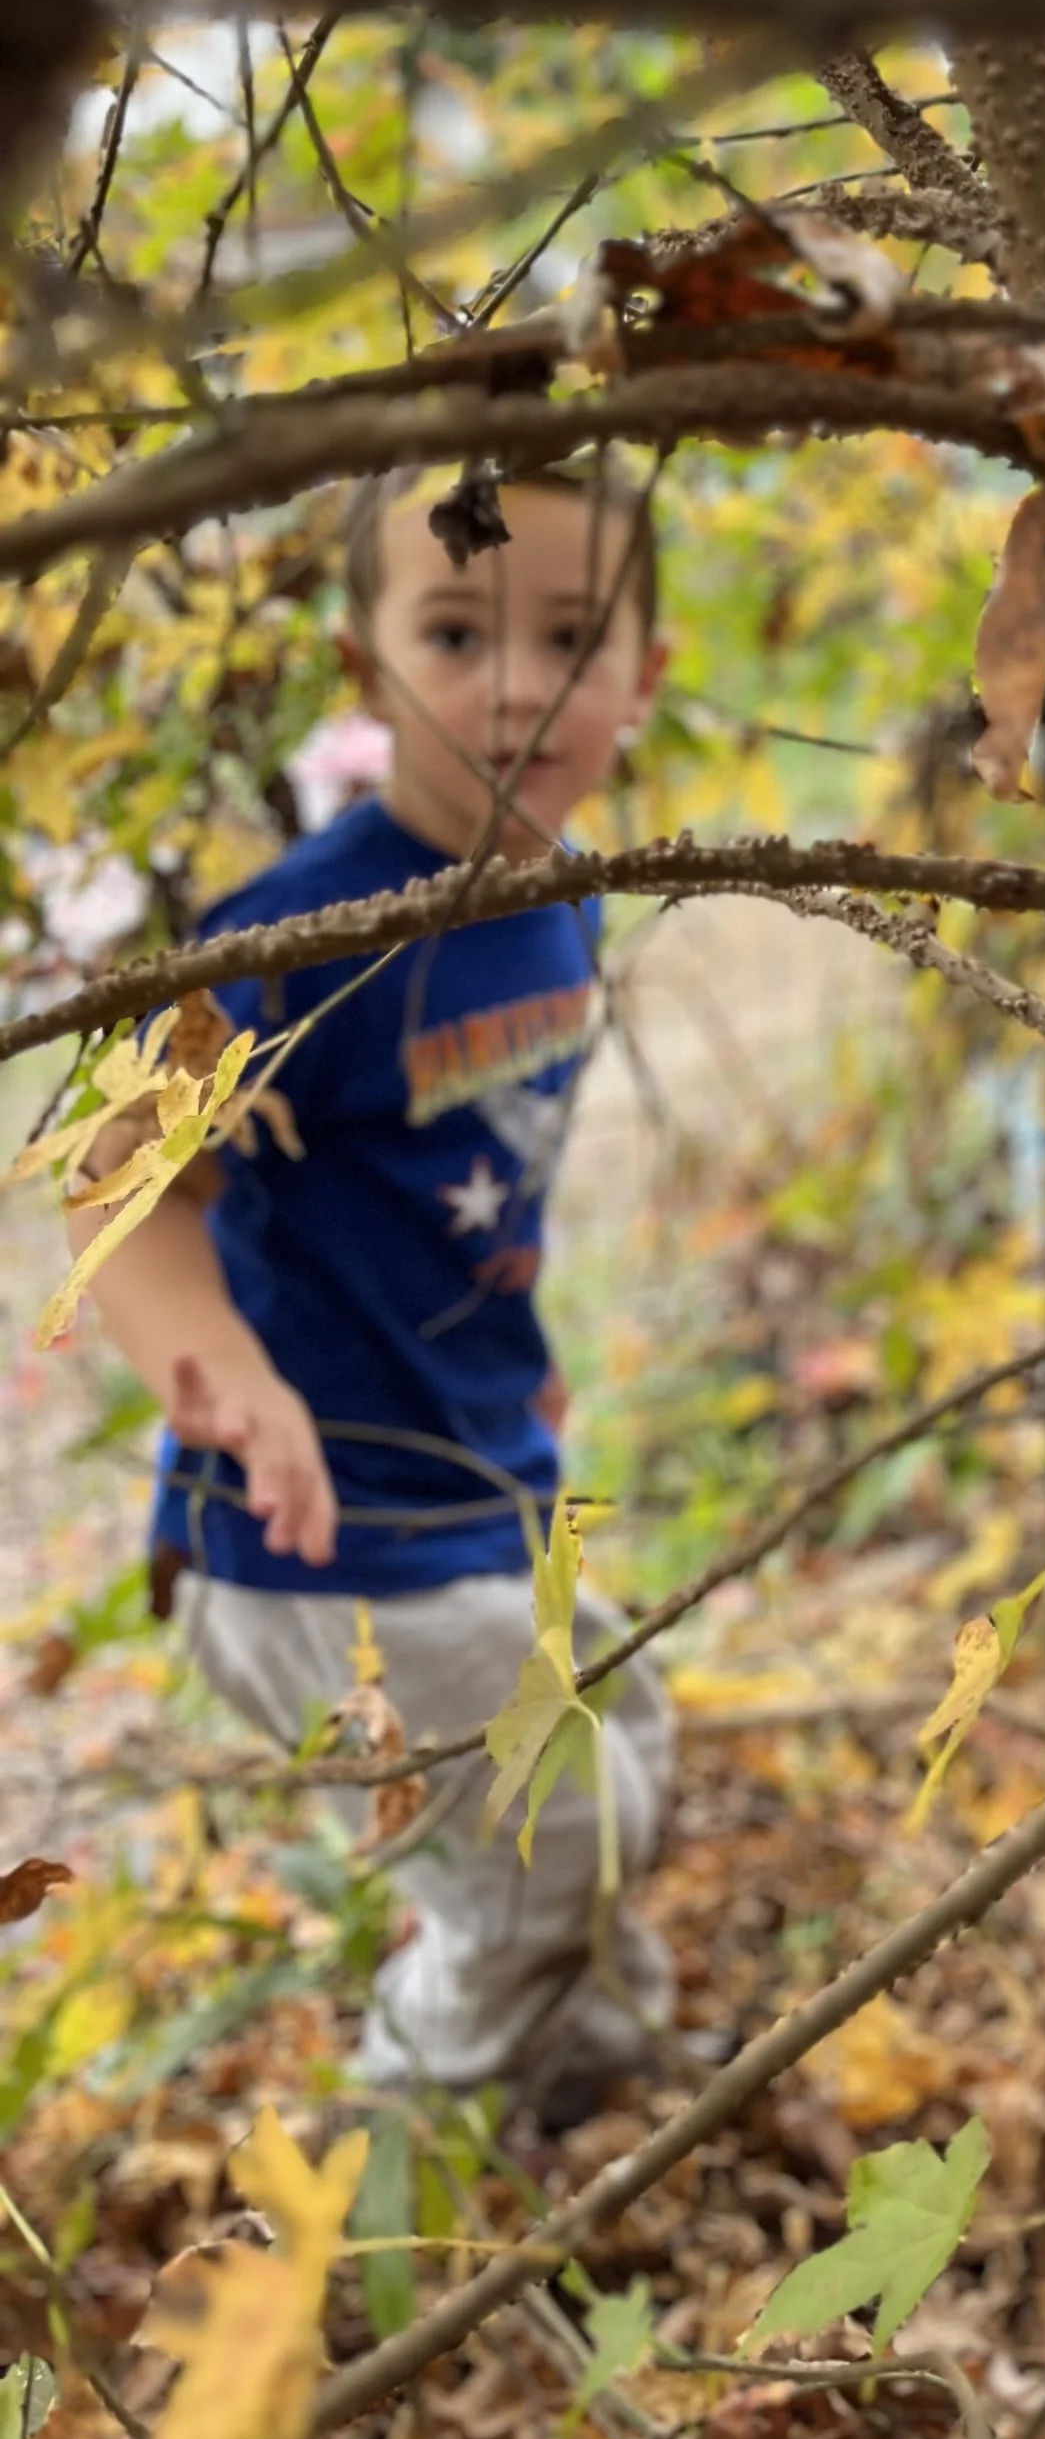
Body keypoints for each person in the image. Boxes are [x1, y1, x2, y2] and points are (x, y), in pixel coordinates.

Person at [75, 458, 676, 2125]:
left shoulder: (555, 899)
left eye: (570, 634)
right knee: (557, 1828)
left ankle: (592, 2046)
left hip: (476, 1479)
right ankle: (406, 2145)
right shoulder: (295, 934)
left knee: (631, 1756)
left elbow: (466, 1168)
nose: (515, 682)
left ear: (646, 671)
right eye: (456, 631)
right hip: (317, 1531)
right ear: (368, 663)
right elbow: (118, 1190)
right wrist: (223, 1375)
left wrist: (518, 1360)